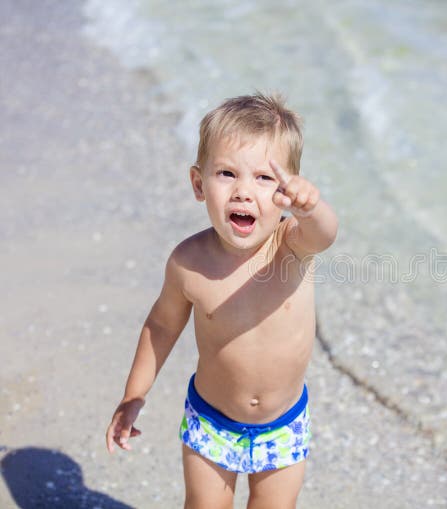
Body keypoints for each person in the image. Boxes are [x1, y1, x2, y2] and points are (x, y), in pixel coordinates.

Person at [105, 92, 338, 508]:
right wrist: (133, 395)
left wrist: (311, 207)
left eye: (265, 179)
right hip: (211, 420)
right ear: (199, 183)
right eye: (227, 174)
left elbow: (325, 234)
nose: (244, 192)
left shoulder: (291, 246)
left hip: (282, 424)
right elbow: (161, 327)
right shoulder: (189, 262)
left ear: (287, 193)